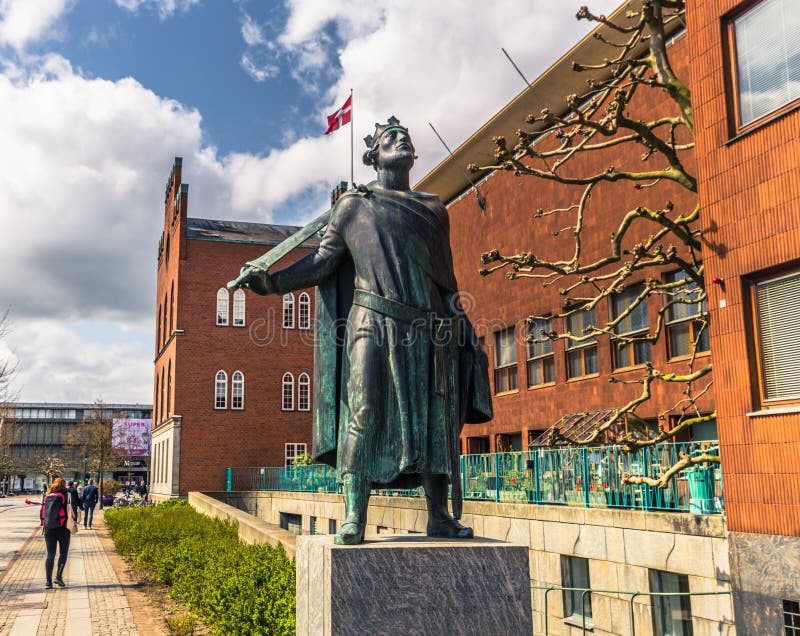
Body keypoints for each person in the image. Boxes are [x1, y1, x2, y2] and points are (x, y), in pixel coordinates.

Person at [235, 117, 492, 545]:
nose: (402, 141)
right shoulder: (354, 206)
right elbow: (322, 261)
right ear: (372, 155)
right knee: (365, 410)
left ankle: (439, 516)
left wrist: (462, 324)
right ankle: (355, 514)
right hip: (370, 320)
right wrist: (273, 283)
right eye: (391, 138)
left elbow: (446, 281)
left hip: (426, 328)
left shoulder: (433, 209)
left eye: (406, 138)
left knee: (433, 418)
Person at [40, 477, 77, 588]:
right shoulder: (67, 495)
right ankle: (58, 577)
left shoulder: (46, 496)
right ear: (64, 485)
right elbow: (72, 511)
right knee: (63, 553)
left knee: (50, 554)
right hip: (63, 528)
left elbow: (42, 512)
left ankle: (48, 582)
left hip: (48, 529)